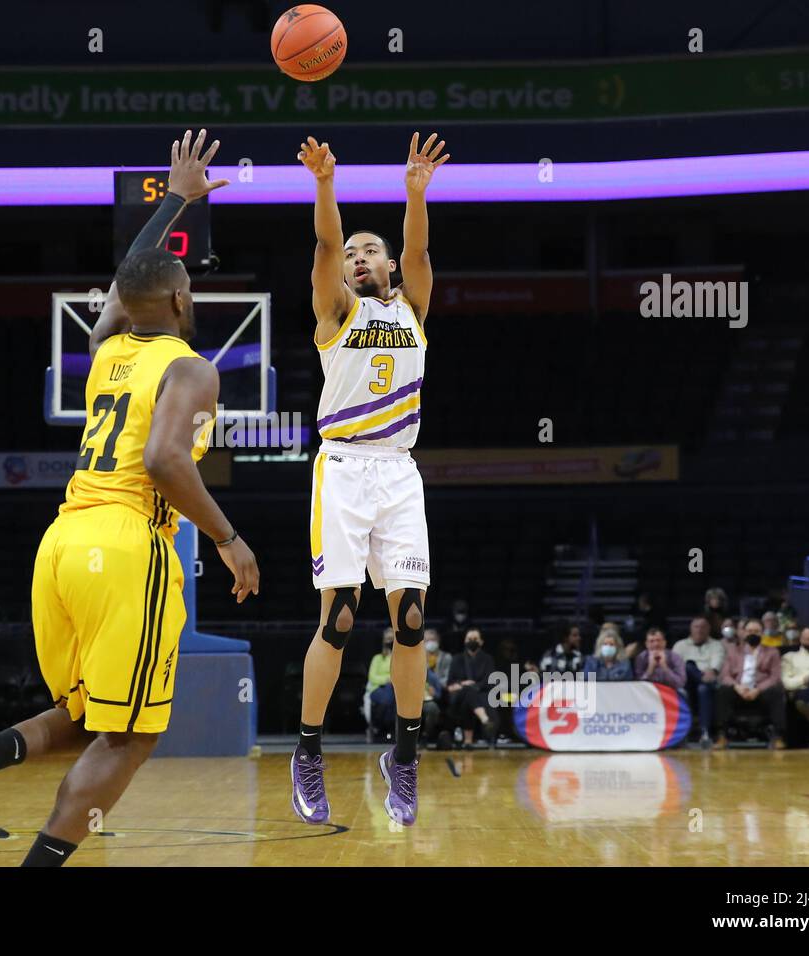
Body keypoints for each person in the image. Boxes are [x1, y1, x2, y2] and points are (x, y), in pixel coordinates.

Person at [0, 130, 258, 866]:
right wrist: (229, 538)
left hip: (64, 543)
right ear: (178, 296)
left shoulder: (105, 350)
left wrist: (176, 205)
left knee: (86, 715)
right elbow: (165, 460)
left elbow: (122, 283)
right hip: (130, 545)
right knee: (133, 735)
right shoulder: (192, 368)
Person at [290, 130, 448, 829]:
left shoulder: (412, 309)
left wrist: (416, 193)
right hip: (346, 467)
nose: (357, 256)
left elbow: (418, 251)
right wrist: (326, 185)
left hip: (400, 472)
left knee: (410, 621)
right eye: (352, 251)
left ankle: (405, 758)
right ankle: (308, 752)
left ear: (388, 265)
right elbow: (324, 248)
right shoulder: (338, 312)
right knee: (341, 617)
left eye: (368, 249)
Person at [715, 624, 786, 749]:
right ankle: (722, 736)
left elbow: (775, 677)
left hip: (761, 692)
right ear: (742, 632)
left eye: (756, 631)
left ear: (762, 633)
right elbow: (725, 675)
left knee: (776, 691)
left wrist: (757, 689)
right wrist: (737, 687)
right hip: (739, 691)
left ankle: (778, 737)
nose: (753, 633)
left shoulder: (772, 652)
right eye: (750, 631)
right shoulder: (733, 651)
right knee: (723, 690)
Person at [673, 617, 726, 746]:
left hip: (709, 682)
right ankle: (686, 732)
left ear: (708, 629)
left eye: (703, 627)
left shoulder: (716, 645)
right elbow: (676, 668)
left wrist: (711, 672)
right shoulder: (680, 645)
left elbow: (715, 666)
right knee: (688, 666)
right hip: (687, 682)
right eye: (696, 627)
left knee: (703, 688)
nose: (699, 630)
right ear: (690, 629)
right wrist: (702, 676)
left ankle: (705, 732)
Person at [445, 628, 498, 748]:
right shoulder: (456, 659)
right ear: (464, 641)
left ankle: (468, 741)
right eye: (469, 639)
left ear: (481, 642)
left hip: (481, 692)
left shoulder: (487, 659)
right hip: (458, 694)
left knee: (469, 697)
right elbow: (450, 683)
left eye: (475, 639)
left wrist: (473, 686)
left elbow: (490, 680)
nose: (472, 641)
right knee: (467, 693)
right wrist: (463, 684)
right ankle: (484, 720)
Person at [365, 629, 396, 742]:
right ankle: (384, 728)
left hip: (395, 689)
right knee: (388, 697)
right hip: (378, 688)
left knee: (392, 696)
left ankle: (385, 730)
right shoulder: (377, 658)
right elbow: (372, 677)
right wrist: (387, 679)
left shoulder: (401, 658)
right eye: (388, 639)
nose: (390, 642)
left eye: (392, 639)